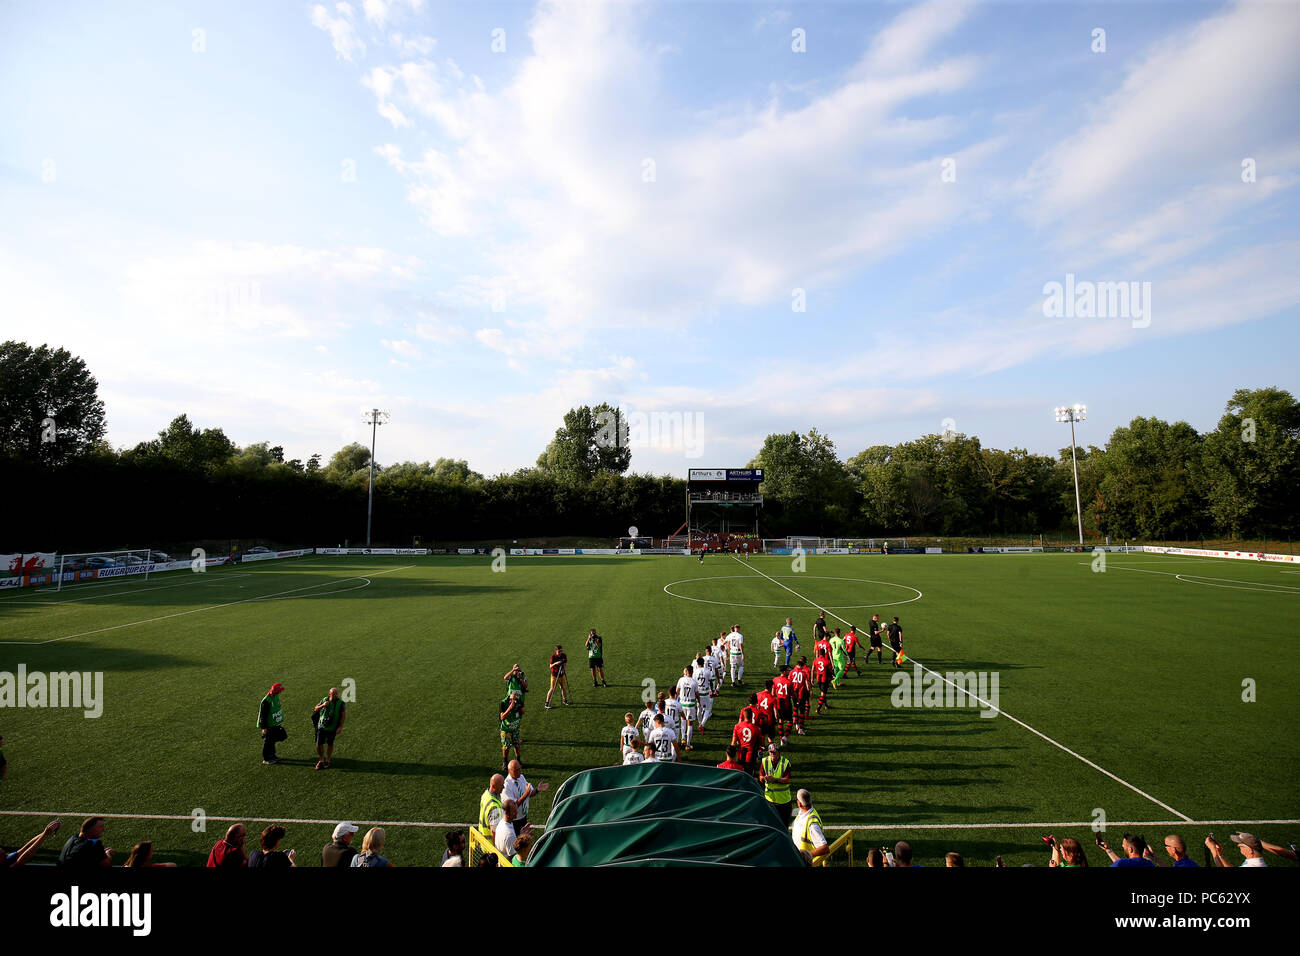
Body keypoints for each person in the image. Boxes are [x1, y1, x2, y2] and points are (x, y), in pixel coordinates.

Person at [504, 759, 547, 832]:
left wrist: (537, 790)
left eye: (519, 769)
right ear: (509, 771)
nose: (518, 772)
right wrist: (526, 793)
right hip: (514, 820)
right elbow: (514, 806)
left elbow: (530, 793)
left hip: (523, 817)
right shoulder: (506, 786)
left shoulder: (521, 777)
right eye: (516, 770)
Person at [312, 686, 346, 770]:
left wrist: (340, 727)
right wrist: (323, 705)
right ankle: (321, 760)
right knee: (318, 743)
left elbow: (343, 715)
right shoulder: (324, 700)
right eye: (333, 694)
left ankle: (328, 759)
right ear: (329, 694)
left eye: (336, 694)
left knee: (330, 743)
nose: (335, 696)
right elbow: (315, 709)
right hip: (321, 726)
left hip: (332, 727)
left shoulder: (340, 703)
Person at [792, 789, 829, 861]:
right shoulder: (802, 812)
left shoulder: (813, 825)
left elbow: (825, 849)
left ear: (799, 804)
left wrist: (806, 855)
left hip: (806, 861)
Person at [759, 743, 794, 820]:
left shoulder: (785, 763)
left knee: (784, 825)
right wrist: (765, 778)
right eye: (771, 752)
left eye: (774, 752)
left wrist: (775, 779)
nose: (772, 754)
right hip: (769, 800)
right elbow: (760, 778)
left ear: (779, 752)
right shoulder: (765, 761)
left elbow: (788, 780)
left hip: (783, 801)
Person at [257, 681, 287, 765]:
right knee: (268, 742)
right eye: (280, 690)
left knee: (273, 740)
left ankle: (273, 756)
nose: (281, 692)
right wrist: (263, 728)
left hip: (275, 724)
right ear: (276, 691)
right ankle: (266, 758)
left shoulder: (275, 697)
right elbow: (263, 716)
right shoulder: (266, 701)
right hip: (269, 726)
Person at [499, 689, 524, 774]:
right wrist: (510, 708)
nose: (516, 702)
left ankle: (519, 760)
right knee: (506, 746)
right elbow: (502, 718)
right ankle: (505, 762)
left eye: (516, 700)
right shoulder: (503, 703)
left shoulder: (519, 701)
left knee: (517, 744)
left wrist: (519, 707)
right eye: (514, 700)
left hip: (515, 728)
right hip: (506, 729)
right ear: (510, 700)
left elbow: (523, 712)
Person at [676, 667, 700, 750]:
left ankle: (683, 738)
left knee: (683, 720)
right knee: (690, 724)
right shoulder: (694, 682)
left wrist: (675, 701)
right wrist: (699, 702)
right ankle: (688, 744)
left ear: (686, 672)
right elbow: (697, 694)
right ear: (692, 672)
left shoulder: (681, 680)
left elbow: (677, 692)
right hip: (690, 705)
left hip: (682, 704)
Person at [771, 665, 794, 746]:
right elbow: (792, 694)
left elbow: (773, 693)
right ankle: (785, 737)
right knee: (790, 721)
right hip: (787, 703)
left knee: (780, 720)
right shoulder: (789, 682)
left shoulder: (775, 680)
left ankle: (781, 738)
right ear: (784, 672)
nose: (788, 672)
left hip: (778, 703)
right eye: (787, 670)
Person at [479, 774, 506, 839]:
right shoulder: (494, 807)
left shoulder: (485, 794)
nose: (503, 787)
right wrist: (495, 849)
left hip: (483, 840)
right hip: (490, 845)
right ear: (494, 786)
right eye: (501, 785)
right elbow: (494, 832)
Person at [789, 657, 810, 735]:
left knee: (795, 707)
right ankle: (800, 728)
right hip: (801, 693)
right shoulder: (803, 673)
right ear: (802, 666)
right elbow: (807, 684)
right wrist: (809, 691)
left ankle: (796, 723)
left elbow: (789, 682)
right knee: (801, 711)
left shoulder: (791, 672)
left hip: (794, 693)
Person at [545, 645, 570, 709]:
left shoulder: (564, 655)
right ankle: (547, 703)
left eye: (561, 651)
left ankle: (565, 700)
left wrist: (563, 670)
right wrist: (556, 663)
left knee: (563, 687)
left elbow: (565, 663)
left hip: (562, 675)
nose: (560, 652)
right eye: (559, 651)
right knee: (552, 689)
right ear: (556, 651)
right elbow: (550, 666)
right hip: (555, 675)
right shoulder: (553, 657)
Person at [813, 648, 833, 714]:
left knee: (823, 692)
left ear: (819, 653)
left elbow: (813, 670)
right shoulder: (827, 661)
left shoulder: (815, 660)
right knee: (823, 694)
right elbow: (830, 669)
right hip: (824, 679)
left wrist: (812, 679)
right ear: (824, 654)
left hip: (818, 678)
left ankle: (826, 705)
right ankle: (818, 709)